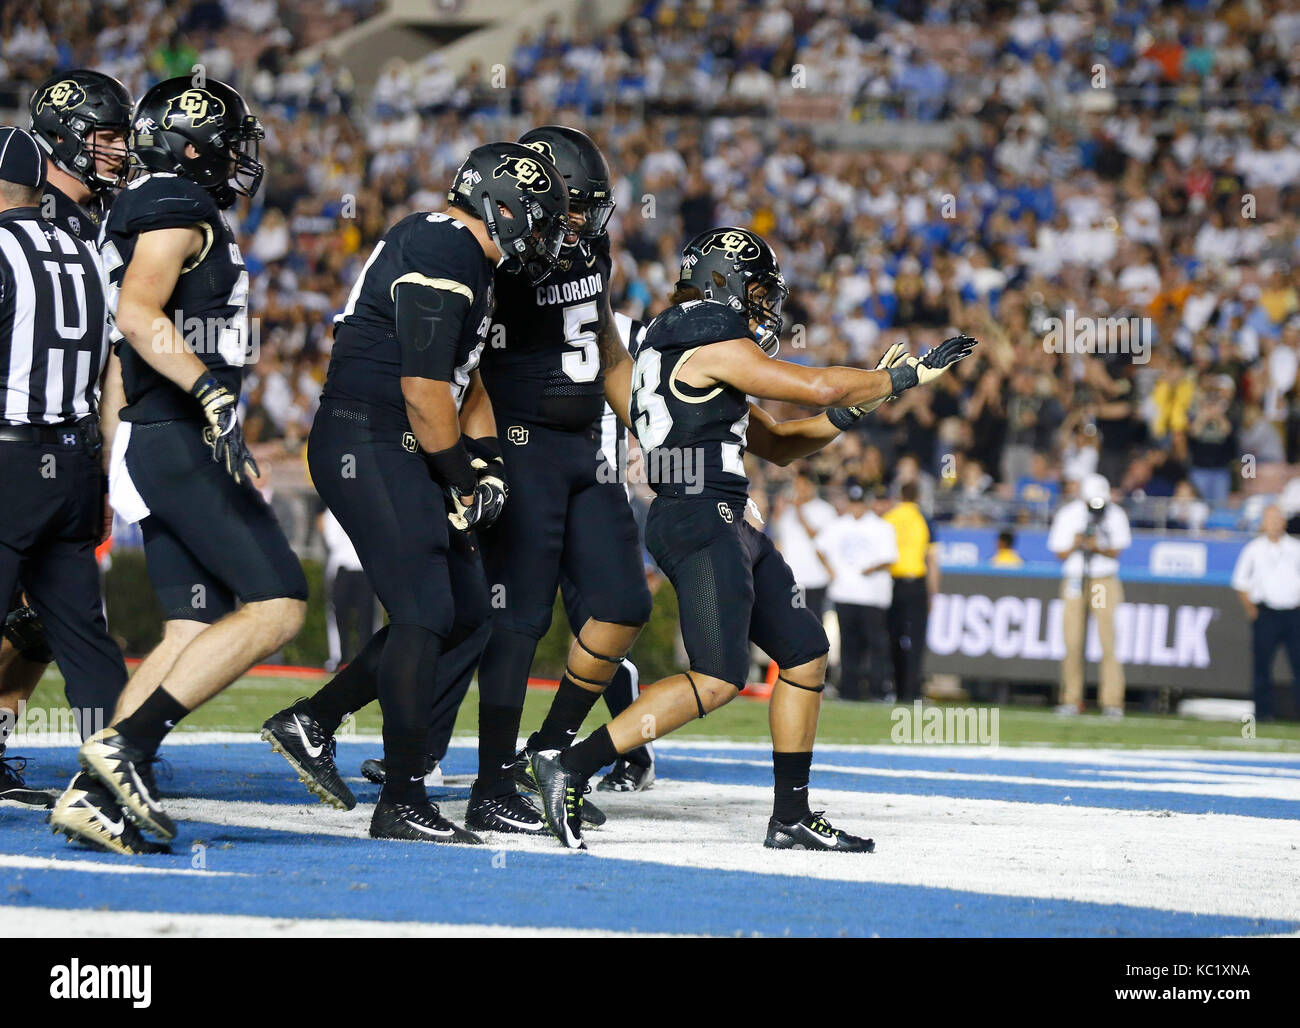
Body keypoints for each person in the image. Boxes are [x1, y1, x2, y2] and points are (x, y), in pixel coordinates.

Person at [530, 226, 977, 850]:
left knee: (804, 652)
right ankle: (570, 764)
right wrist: (906, 378)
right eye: (759, 289)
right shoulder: (707, 338)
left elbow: (783, 443)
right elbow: (819, 387)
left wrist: (866, 402)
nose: (765, 305)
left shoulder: (682, 349)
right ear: (723, 280)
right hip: (697, 513)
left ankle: (790, 815)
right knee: (718, 678)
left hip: (726, 513)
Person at [261, 141, 569, 843]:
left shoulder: (468, 261)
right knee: (427, 608)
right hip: (371, 434)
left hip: (400, 438)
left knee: (465, 614)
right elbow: (423, 387)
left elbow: (467, 383)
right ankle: (401, 797)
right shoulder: (445, 244)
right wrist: (463, 474)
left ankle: (315, 719)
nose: (546, 236)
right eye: (540, 218)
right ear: (503, 205)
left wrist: (484, 460)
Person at [50, 79, 308, 852]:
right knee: (281, 603)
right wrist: (208, 394)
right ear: (192, 146)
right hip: (176, 431)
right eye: (228, 143)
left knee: (190, 623)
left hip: (155, 431)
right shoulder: (173, 200)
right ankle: (125, 747)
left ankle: (94, 795)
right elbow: (137, 312)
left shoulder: (165, 201)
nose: (239, 159)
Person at [0, 71, 133, 804]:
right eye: (105, 137)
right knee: (68, 624)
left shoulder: (71, 224)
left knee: (47, 622)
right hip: (66, 450)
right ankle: (116, 764)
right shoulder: (69, 233)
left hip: (38, 448)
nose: (117, 151)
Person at [1047, 472, 1131, 716]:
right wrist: (1077, 543)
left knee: (1108, 641)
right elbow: (1059, 552)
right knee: (1072, 641)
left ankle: (1112, 701)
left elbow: (1117, 551)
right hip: (1075, 577)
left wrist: (1098, 546)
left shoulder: (1115, 514)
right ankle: (1071, 699)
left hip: (1101, 581)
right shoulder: (1069, 514)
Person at [815, 481, 897, 700]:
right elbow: (820, 547)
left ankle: (878, 690)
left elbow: (889, 558)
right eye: (853, 503)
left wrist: (873, 567)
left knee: (876, 644)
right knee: (848, 645)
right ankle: (849, 690)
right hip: (845, 593)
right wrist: (830, 571)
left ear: (866, 504)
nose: (856, 508)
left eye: (859, 504)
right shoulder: (838, 525)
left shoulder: (881, 526)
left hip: (872, 596)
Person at [1232, 504, 1300, 722]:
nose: (1274, 524)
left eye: (1277, 519)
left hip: (1293, 613)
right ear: (1263, 523)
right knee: (1261, 665)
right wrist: (1253, 611)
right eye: (1269, 519)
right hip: (1266, 613)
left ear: (1284, 522)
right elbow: (1240, 582)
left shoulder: (1296, 548)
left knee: (1298, 664)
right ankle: (1263, 714)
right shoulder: (1253, 549)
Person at [884, 481, 935, 702]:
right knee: (916, 639)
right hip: (916, 582)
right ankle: (912, 691)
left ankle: (895, 686)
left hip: (892, 582)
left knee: (893, 636)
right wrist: (933, 592)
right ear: (919, 497)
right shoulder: (925, 519)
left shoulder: (889, 518)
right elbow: (932, 559)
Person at [773, 467, 836, 621]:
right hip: (793, 580)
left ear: (812, 486)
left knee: (814, 622)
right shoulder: (787, 511)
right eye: (796, 485)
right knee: (794, 622)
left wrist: (800, 511)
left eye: (802, 485)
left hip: (816, 578)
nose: (799, 489)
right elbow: (780, 540)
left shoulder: (826, 510)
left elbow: (817, 537)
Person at [320, 508, 378, 673]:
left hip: (365, 569)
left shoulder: (371, 508)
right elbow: (332, 540)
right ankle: (338, 658)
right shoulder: (334, 509)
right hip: (342, 569)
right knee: (338, 616)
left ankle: (367, 659)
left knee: (367, 617)